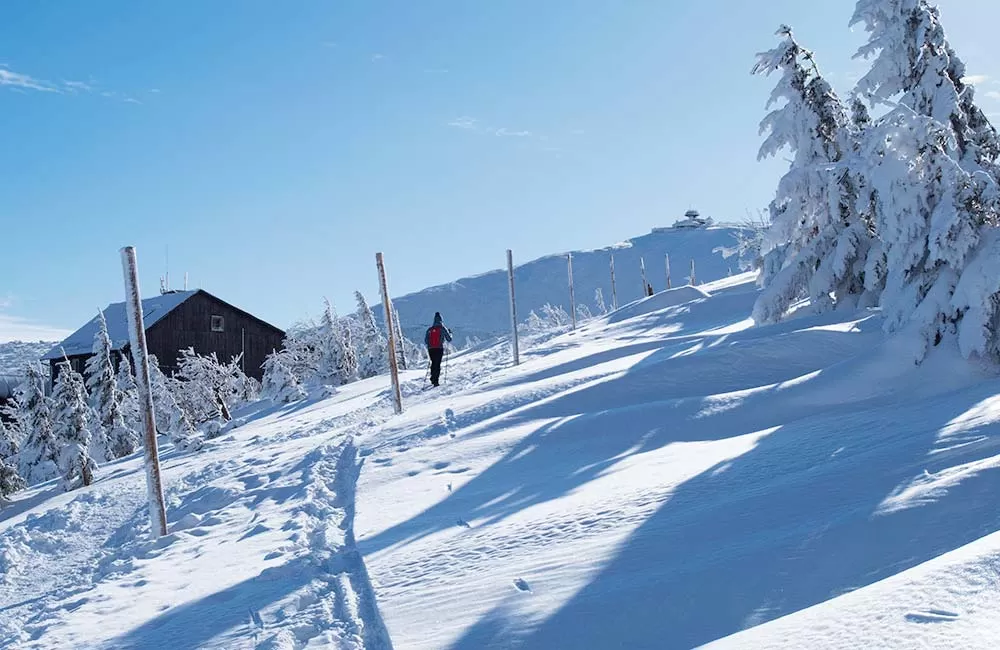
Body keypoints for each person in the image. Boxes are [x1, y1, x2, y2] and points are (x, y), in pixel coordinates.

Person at [425, 312, 453, 387]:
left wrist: (430, 345)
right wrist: (450, 333)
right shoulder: (442, 328)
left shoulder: (430, 329)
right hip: (439, 348)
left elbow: (426, 341)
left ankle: (432, 378)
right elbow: (449, 339)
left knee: (433, 363)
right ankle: (435, 381)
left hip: (431, 349)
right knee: (437, 364)